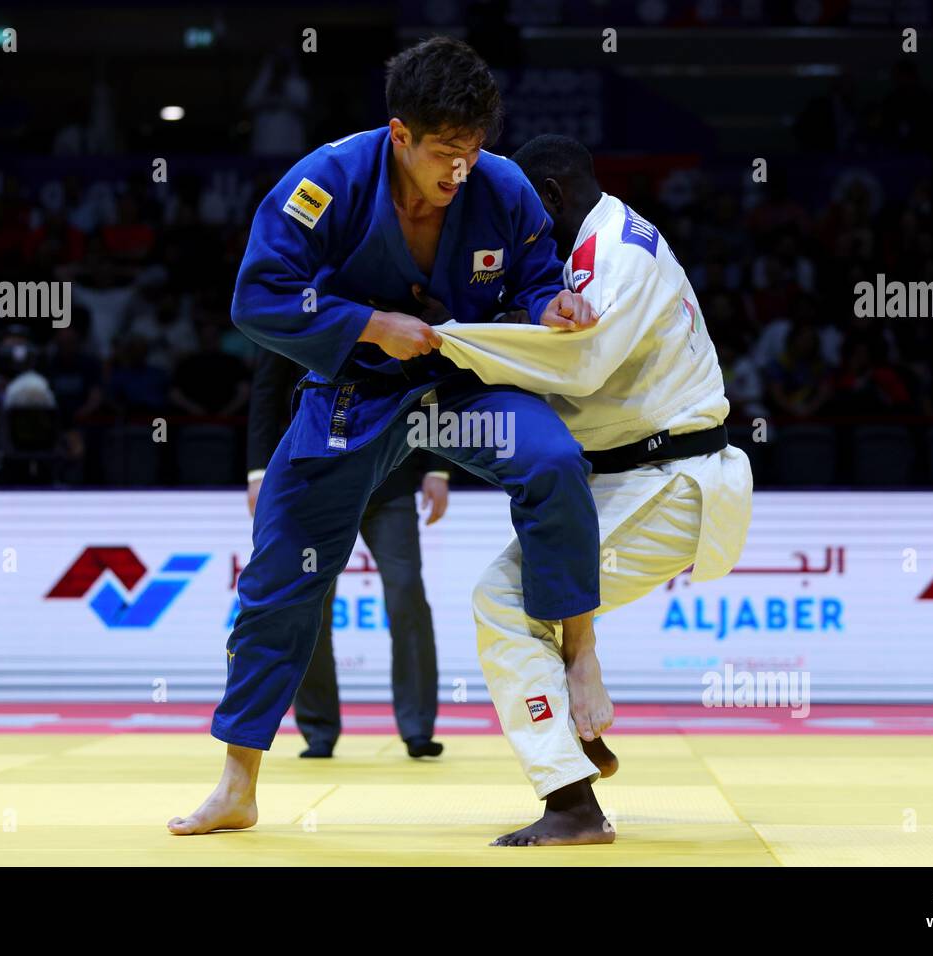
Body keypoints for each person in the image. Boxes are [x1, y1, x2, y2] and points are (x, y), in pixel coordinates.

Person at [168, 37, 601, 837]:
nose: (460, 168)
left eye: (473, 150)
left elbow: (539, 276)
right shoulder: (325, 183)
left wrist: (550, 308)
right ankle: (238, 781)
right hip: (353, 399)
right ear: (399, 134)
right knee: (280, 568)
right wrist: (367, 325)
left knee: (554, 460)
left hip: (460, 386)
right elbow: (258, 299)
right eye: (444, 151)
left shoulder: (503, 188)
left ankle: (580, 660)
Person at [434, 135, 754, 846]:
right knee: (535, 590)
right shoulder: (593, 248)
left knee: (505, 600)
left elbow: (579, 367)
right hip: (632, 476)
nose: (517, 228)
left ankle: (571, 800)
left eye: (523, 209)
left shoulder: (617, 251)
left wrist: (447, 338)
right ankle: (582, 734)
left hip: (671, 480)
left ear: (547, 195)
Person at [247, 348, 449, 758]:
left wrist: (437, 467)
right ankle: (319, 730)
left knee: (406, 591)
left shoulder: (396, 298)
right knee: (311, 602)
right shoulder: (307, 305)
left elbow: (428, 383)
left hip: (390, 482)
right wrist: (257, 472)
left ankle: (416, 728)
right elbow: (267, 391)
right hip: (315, 479)